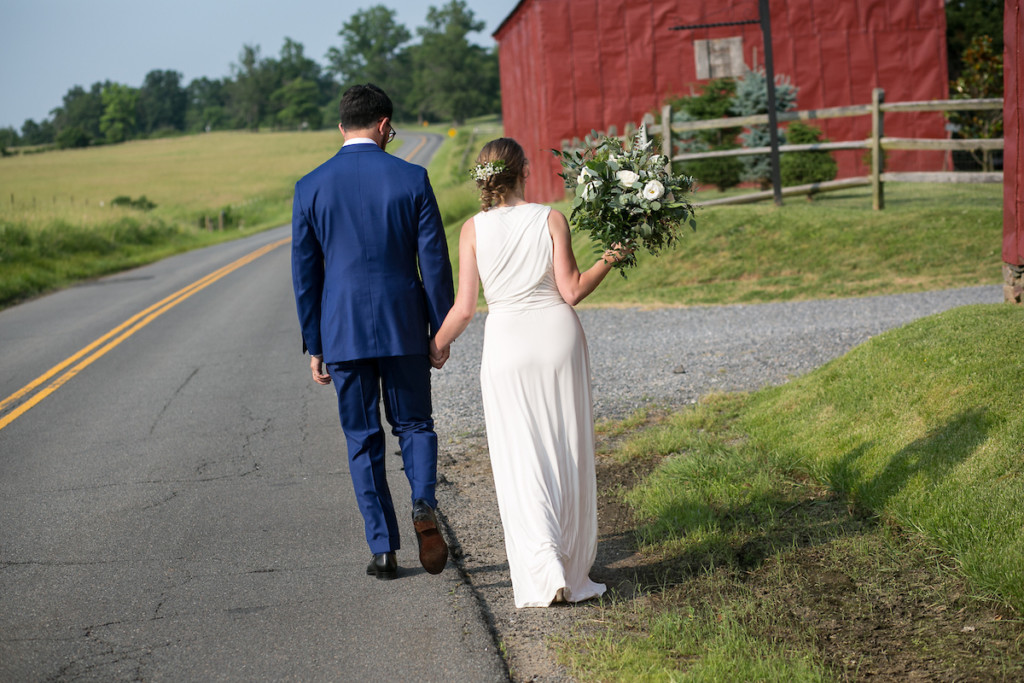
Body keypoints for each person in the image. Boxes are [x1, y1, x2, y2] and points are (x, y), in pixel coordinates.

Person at [429, 138, 627, 608]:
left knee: (523, 457)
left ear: (483, 178)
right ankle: (570, 563)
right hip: (557, 339)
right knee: (565, 448)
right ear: (525, 172)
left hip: (509, 346)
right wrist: (610, 257)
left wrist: (435, 346)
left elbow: (465, 308)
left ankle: (545, 565)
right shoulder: (550, 218)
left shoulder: (472, 229)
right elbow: (571, 291)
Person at [291, 83, 454, 581]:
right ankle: (422, 501)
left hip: (342, 331)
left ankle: (383, 550)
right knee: (415, 424)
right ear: (384, 125)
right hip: (403, 325)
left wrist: (315, 343)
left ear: (342, 126)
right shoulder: (412, 178)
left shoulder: (310, 186)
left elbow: (305, 275)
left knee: (362, 438)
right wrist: (441, 329)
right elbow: (434, 262)